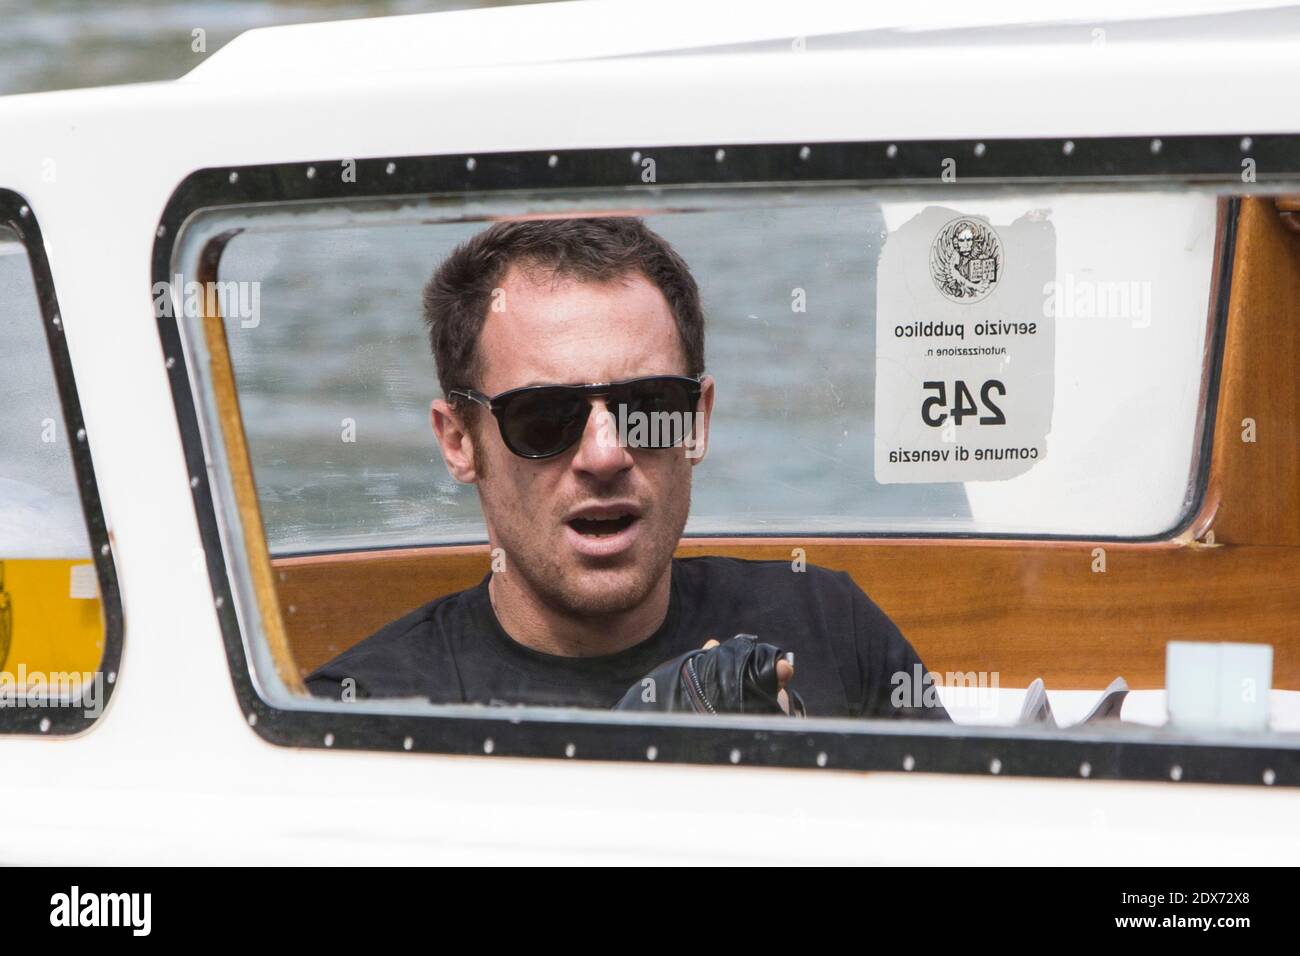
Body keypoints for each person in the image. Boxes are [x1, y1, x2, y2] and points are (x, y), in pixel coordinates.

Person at [306, 217, 949, 720]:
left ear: (696, 422)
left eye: (649, 408)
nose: (606, 454)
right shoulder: (361, 715)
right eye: (543, 418)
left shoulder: (832, 627)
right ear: (458, 442)